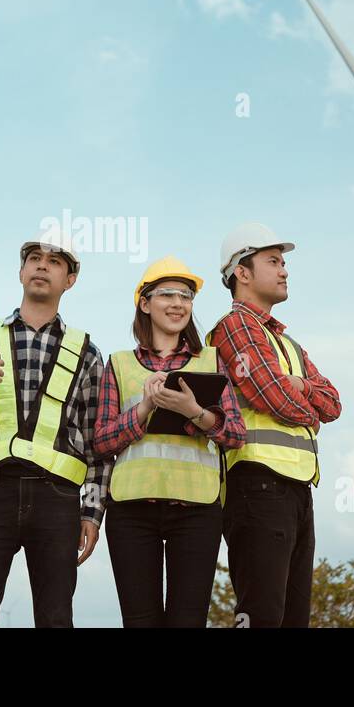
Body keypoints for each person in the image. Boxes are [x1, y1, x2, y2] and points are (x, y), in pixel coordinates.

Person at [0, 232, 108, 627]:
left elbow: (98, 446)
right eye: (34, 257)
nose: (42, 264)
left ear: (70, 280)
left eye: (55, 260)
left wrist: (92, 512)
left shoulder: (88, 353)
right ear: (21, 271)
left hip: (58, 500)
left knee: (55, 620)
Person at [93, 256, 245, 627]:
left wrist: (194, 411)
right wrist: (145, 407)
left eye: (186, 296)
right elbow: (101, 441)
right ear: (145, 303)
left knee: (187, 621)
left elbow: (236, 434)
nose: (179, 303)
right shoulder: (119, 363)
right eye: (168, 294)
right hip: (132, 510)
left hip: (196, 509)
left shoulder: (211, 361)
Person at [207, 223, 342, 627]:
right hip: (257, 487)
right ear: (242, 273)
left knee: (293, 617)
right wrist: (307, 403)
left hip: (298, 491)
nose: (285, 271)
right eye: (273, 261)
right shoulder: (235, 327)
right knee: (263, 614)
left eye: (283, 263)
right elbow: (274, 399)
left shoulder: (289, 344)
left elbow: (333, 403)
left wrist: (298, 387)